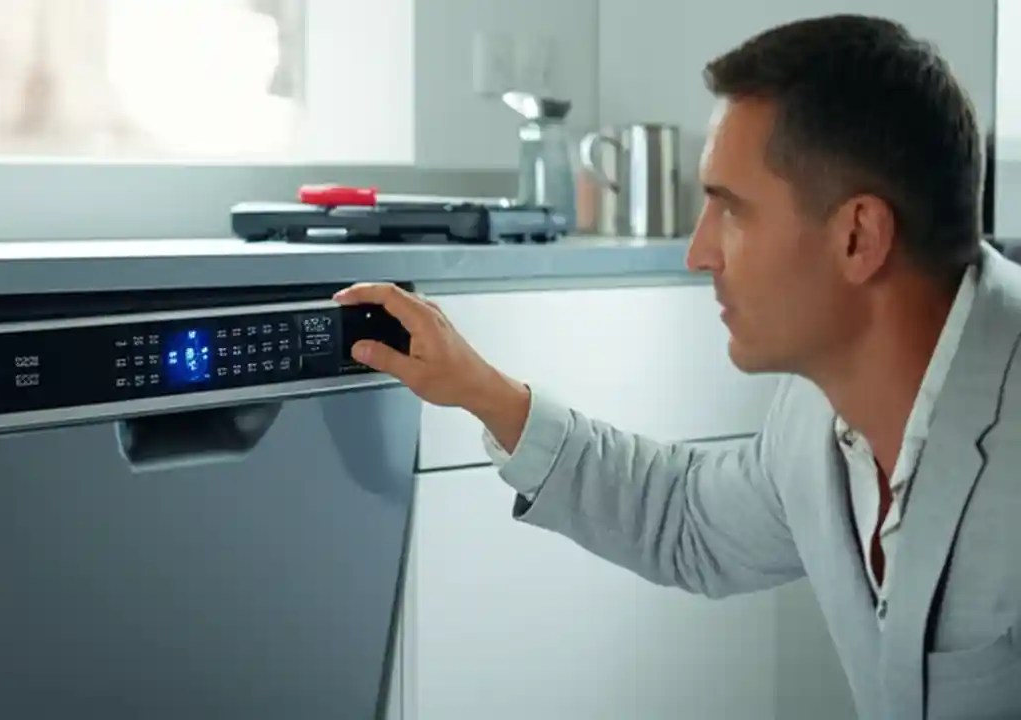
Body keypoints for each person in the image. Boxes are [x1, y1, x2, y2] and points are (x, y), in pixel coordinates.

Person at [334, 14, 1021, 720]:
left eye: (731, 211)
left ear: (857, 236)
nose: (698, 253)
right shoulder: (817, 417)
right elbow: (685, 519)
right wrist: (483, 392)